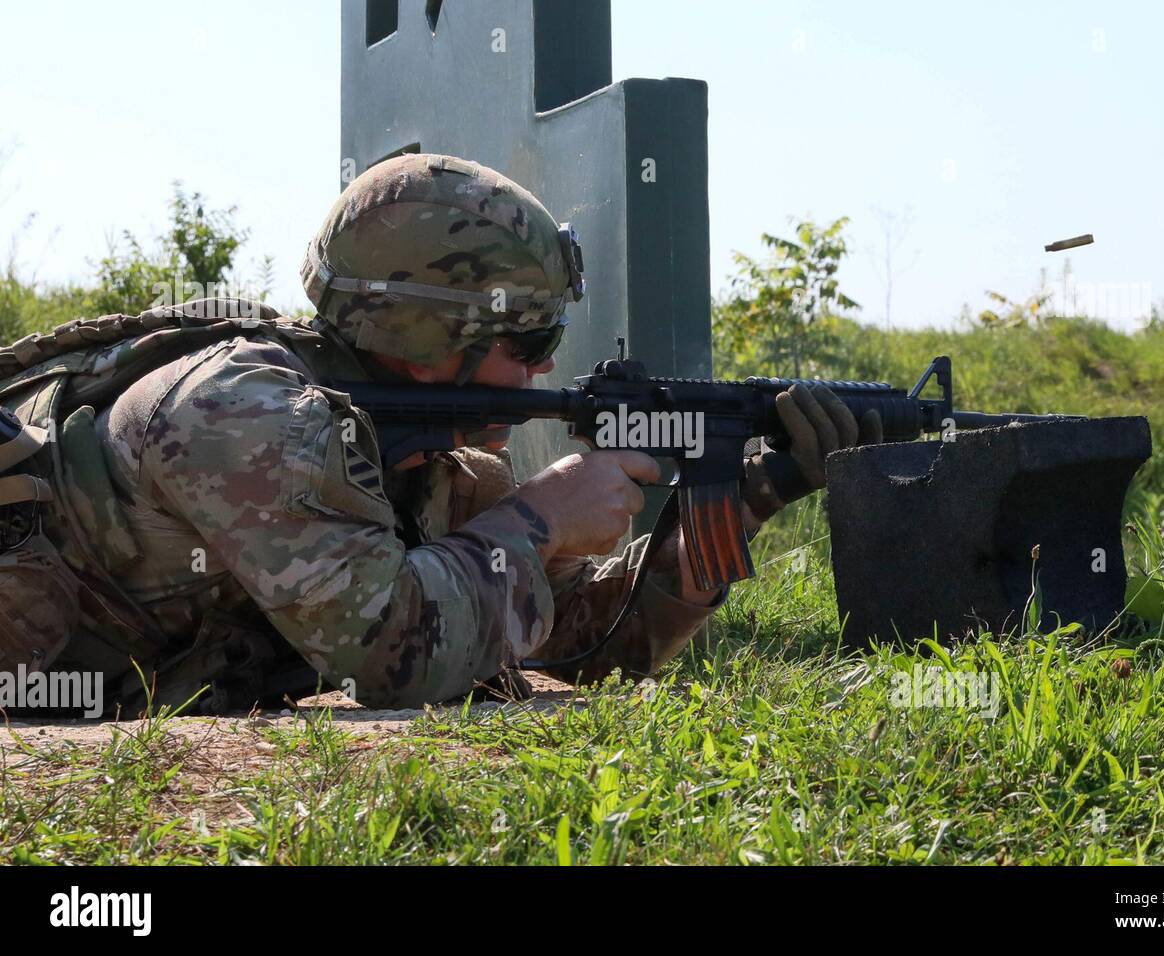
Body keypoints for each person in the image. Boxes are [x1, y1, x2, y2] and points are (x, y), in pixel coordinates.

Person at [0, 153, 873, 714]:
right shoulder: (242, 414)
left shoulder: (420, 457)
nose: (540, 371)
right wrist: (537, 520)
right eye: (526, 342)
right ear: (426, 346)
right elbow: (388, 656)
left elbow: (584, 645)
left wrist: (755, 496)